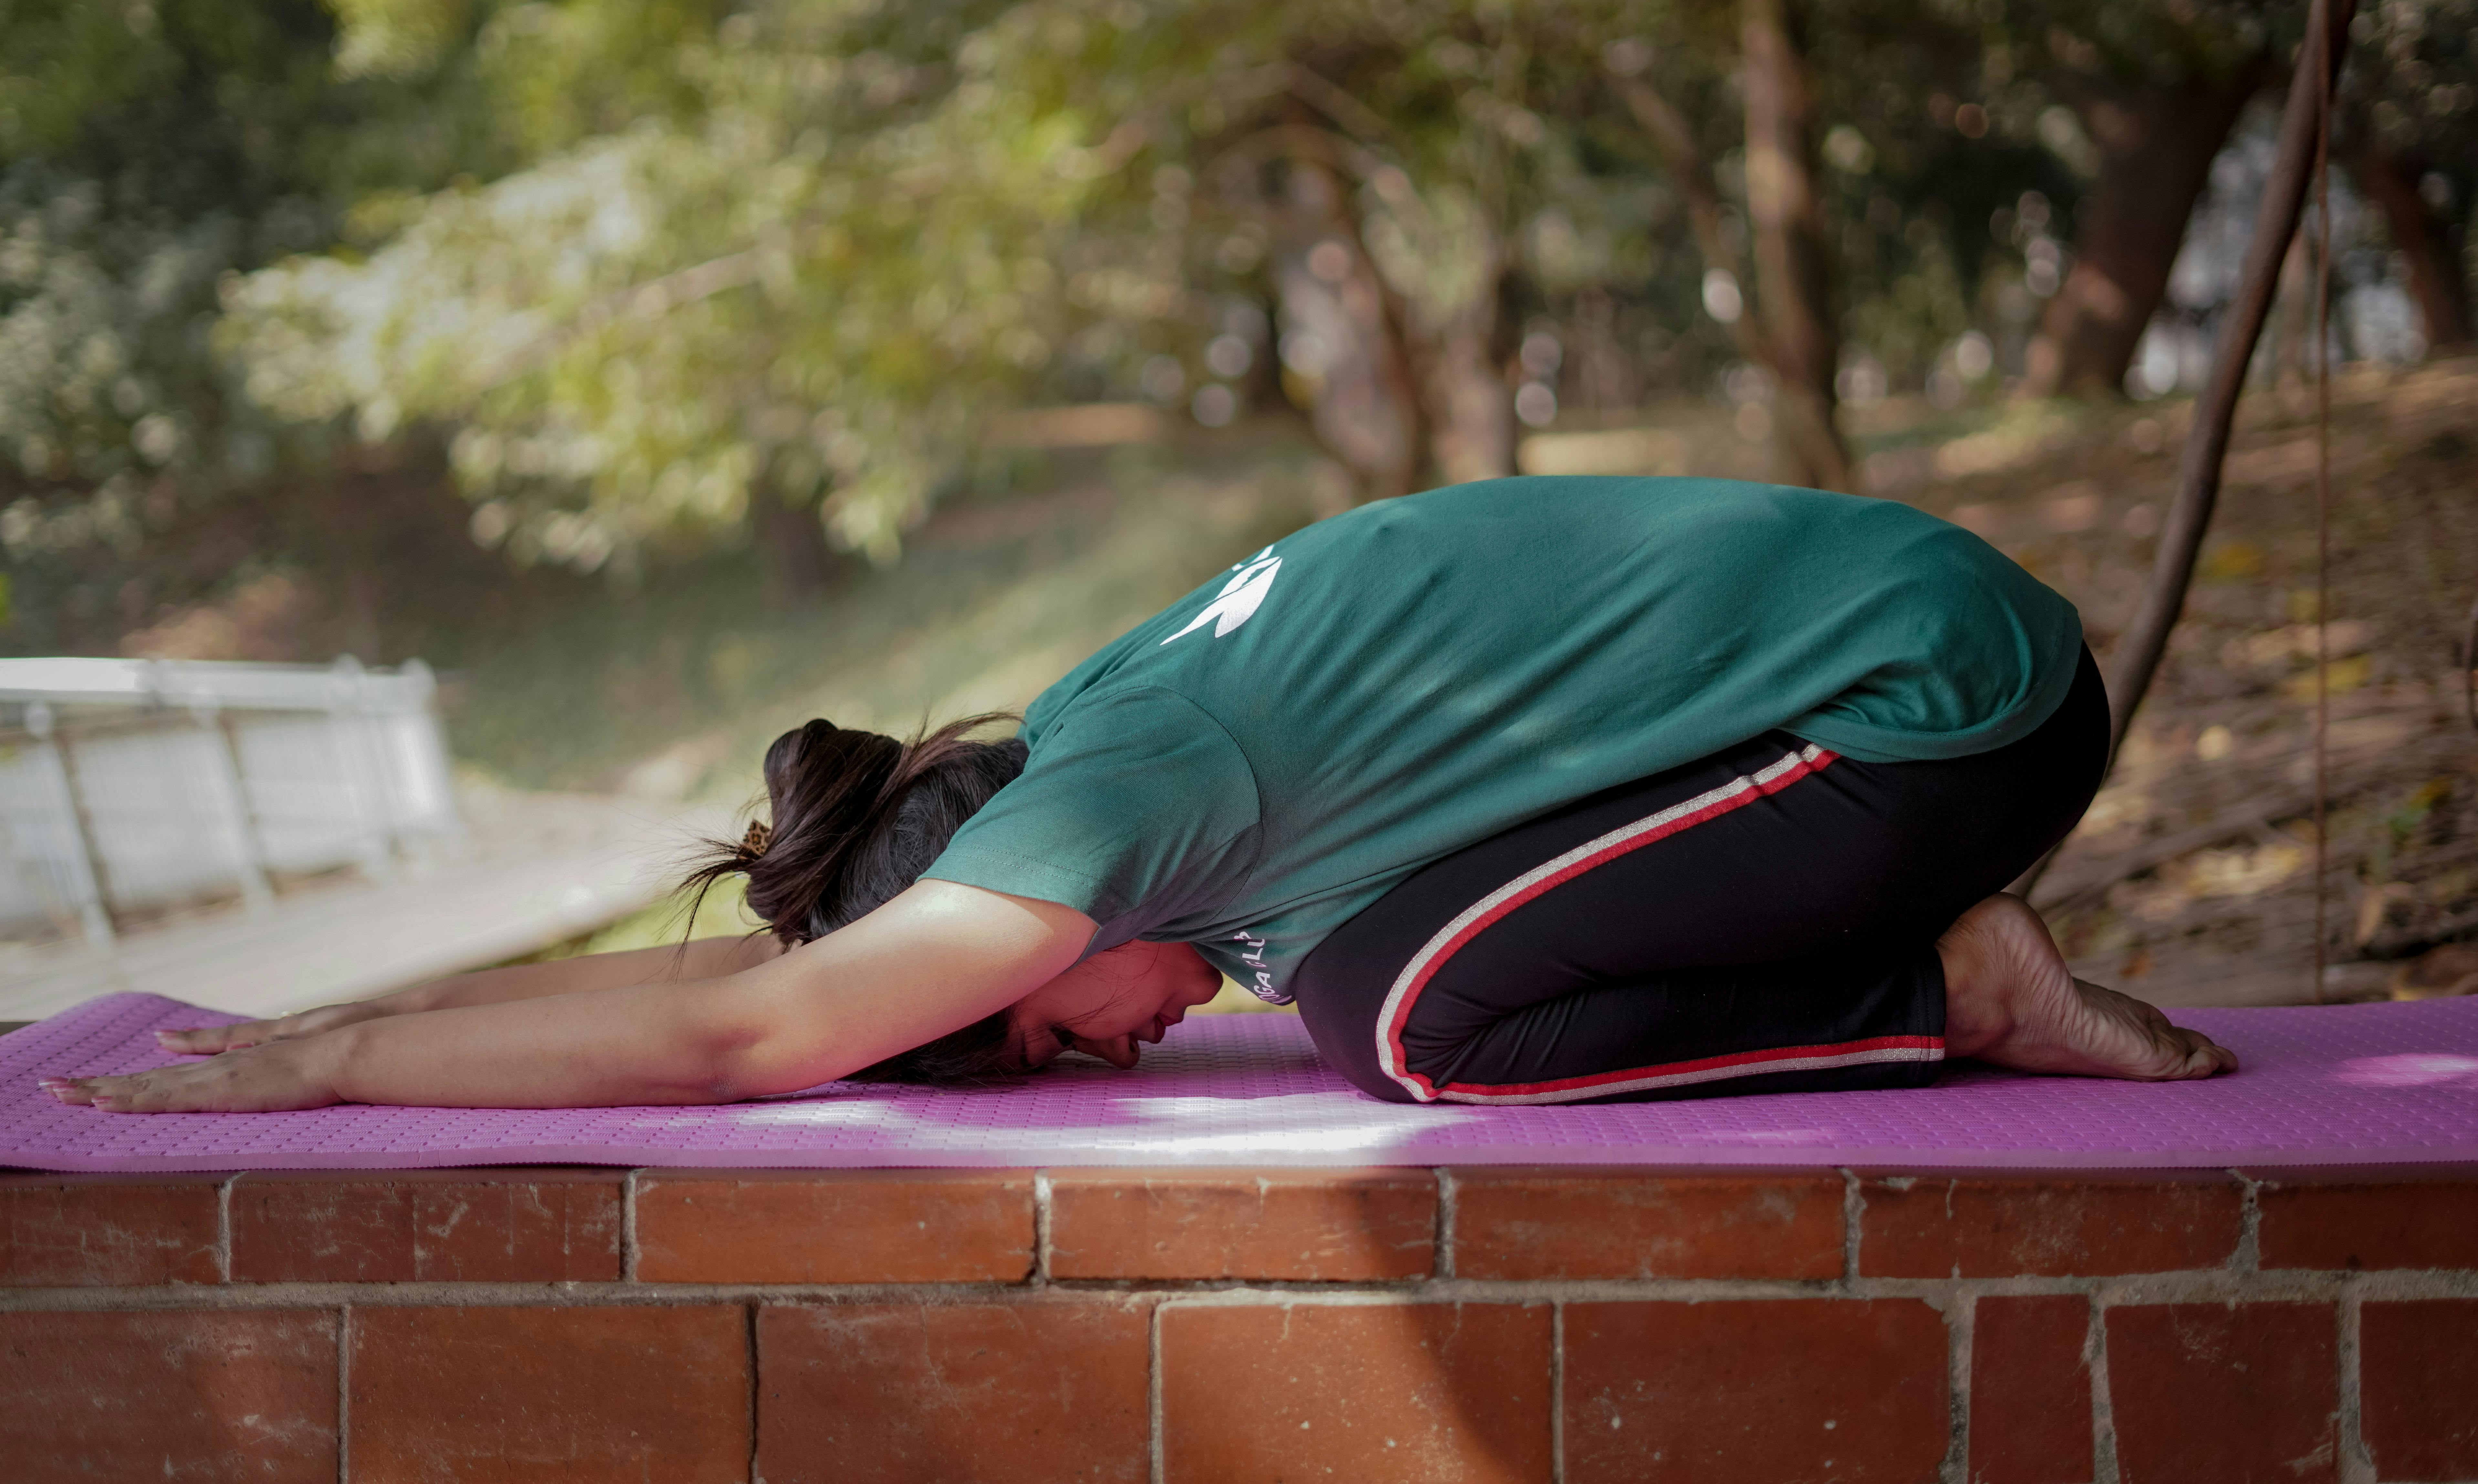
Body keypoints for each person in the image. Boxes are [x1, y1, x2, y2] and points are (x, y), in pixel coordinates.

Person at [41, 477, 2235, 1116]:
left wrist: (328, 1066)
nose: (1126, 1042)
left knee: (1414, 1021)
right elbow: (755, 986)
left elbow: (745, 1033)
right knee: (1374, 964)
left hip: (1931, 708)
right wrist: (369, 1029)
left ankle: (1955, 987)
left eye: (1055, 1030)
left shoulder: (1115, 811)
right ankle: (1933, 960)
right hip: (1926, 657)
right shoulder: (1107, 730)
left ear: (1025, 919)